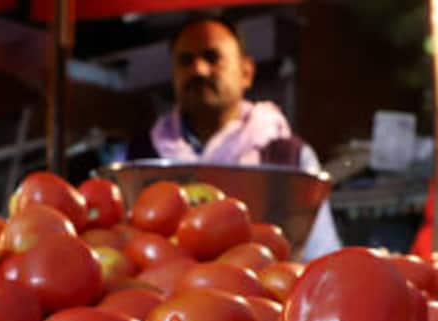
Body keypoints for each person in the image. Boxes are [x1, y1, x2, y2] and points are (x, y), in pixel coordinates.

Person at [128, 15, 342, 260]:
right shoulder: (141, 155)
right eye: (185, 61)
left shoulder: (290, 157)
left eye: (212, 57)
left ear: (246, 72)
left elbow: (320, 255)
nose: (198, 69)